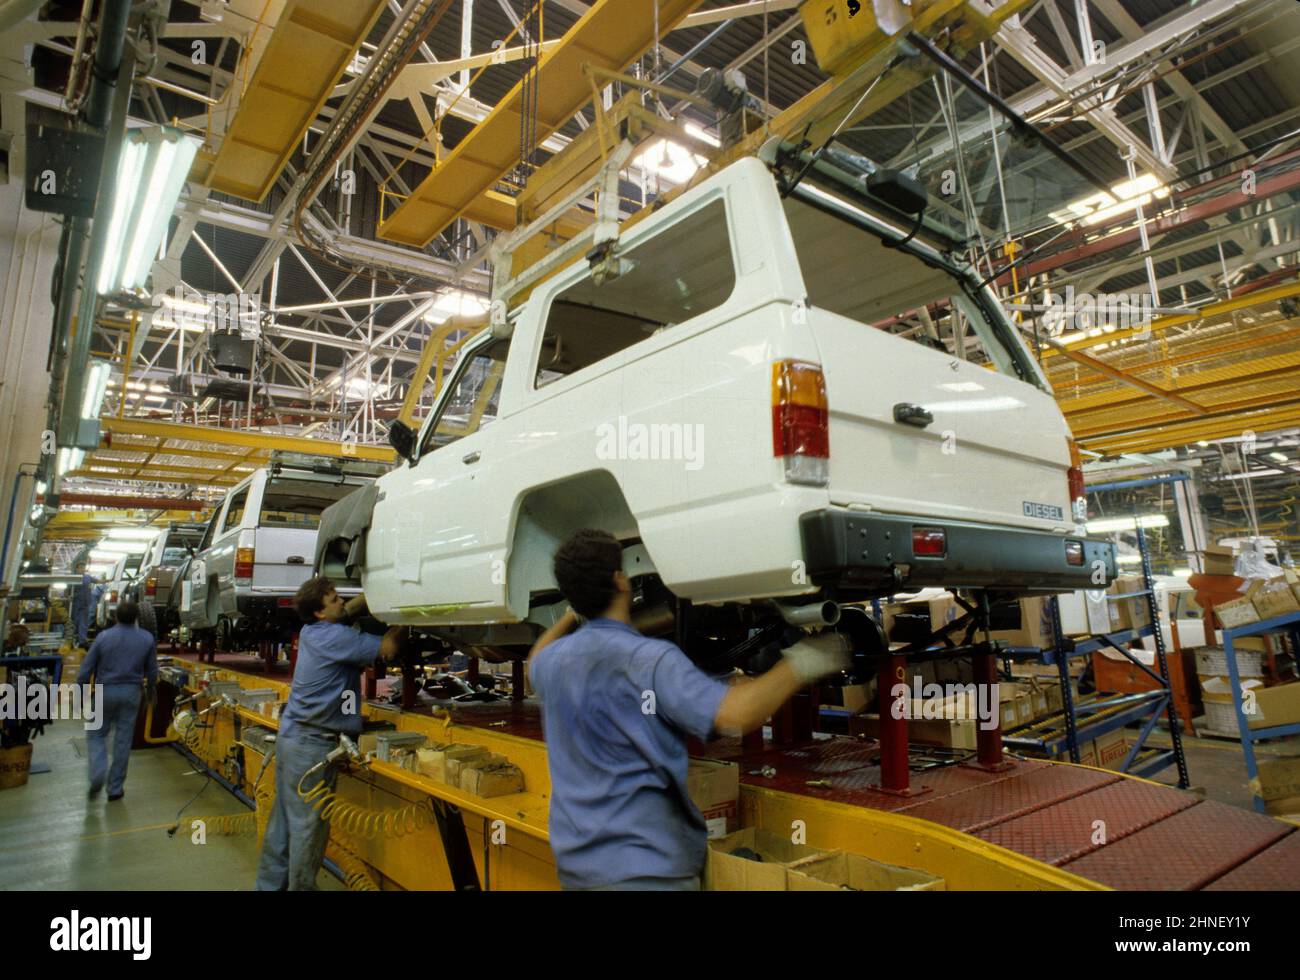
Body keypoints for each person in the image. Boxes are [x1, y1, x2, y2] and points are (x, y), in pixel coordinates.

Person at [527, 528, 850, 891]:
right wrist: (803, 662)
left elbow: (535, 655)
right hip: (647, 873)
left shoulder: (552, 664)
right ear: (621, 581)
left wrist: (571, 613)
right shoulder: (648, 660)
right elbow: (735, 716)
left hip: (579, 867)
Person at [255, 578, 405, 891]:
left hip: (293, 738)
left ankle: (268, 887)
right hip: (312, 746)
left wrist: (369, 596)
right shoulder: (339, 638)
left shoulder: (313, 631)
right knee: (308, 829)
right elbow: (388, 648)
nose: (341, 602)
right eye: (335, 599)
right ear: (321, 612)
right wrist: (410, 615)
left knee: (283, 822)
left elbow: (343, 614)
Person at [77, 599, 159, 801]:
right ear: (137, 617)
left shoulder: (103, 637)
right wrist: (151, 692)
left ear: (115, 617)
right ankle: (115, 789)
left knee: (96, 735)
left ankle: (97, 775)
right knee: (123, 741)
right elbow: (152, 670)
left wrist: (80, 693)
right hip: (132, 693)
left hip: (105, 691)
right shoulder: (147, 638)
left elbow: (86, 669)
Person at [67, 560, 93, 648]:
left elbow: (97, 580)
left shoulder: (87, 577)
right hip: (76, 603)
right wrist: (68, 595)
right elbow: (67, 589)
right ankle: (71, 639)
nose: (82, 569)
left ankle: (82, 640)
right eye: (81, 567)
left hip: (85, 603)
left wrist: (108, 580)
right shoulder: (73, 577)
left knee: (84, 622)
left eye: (83, 567)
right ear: (77, 568)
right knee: (75, 621)